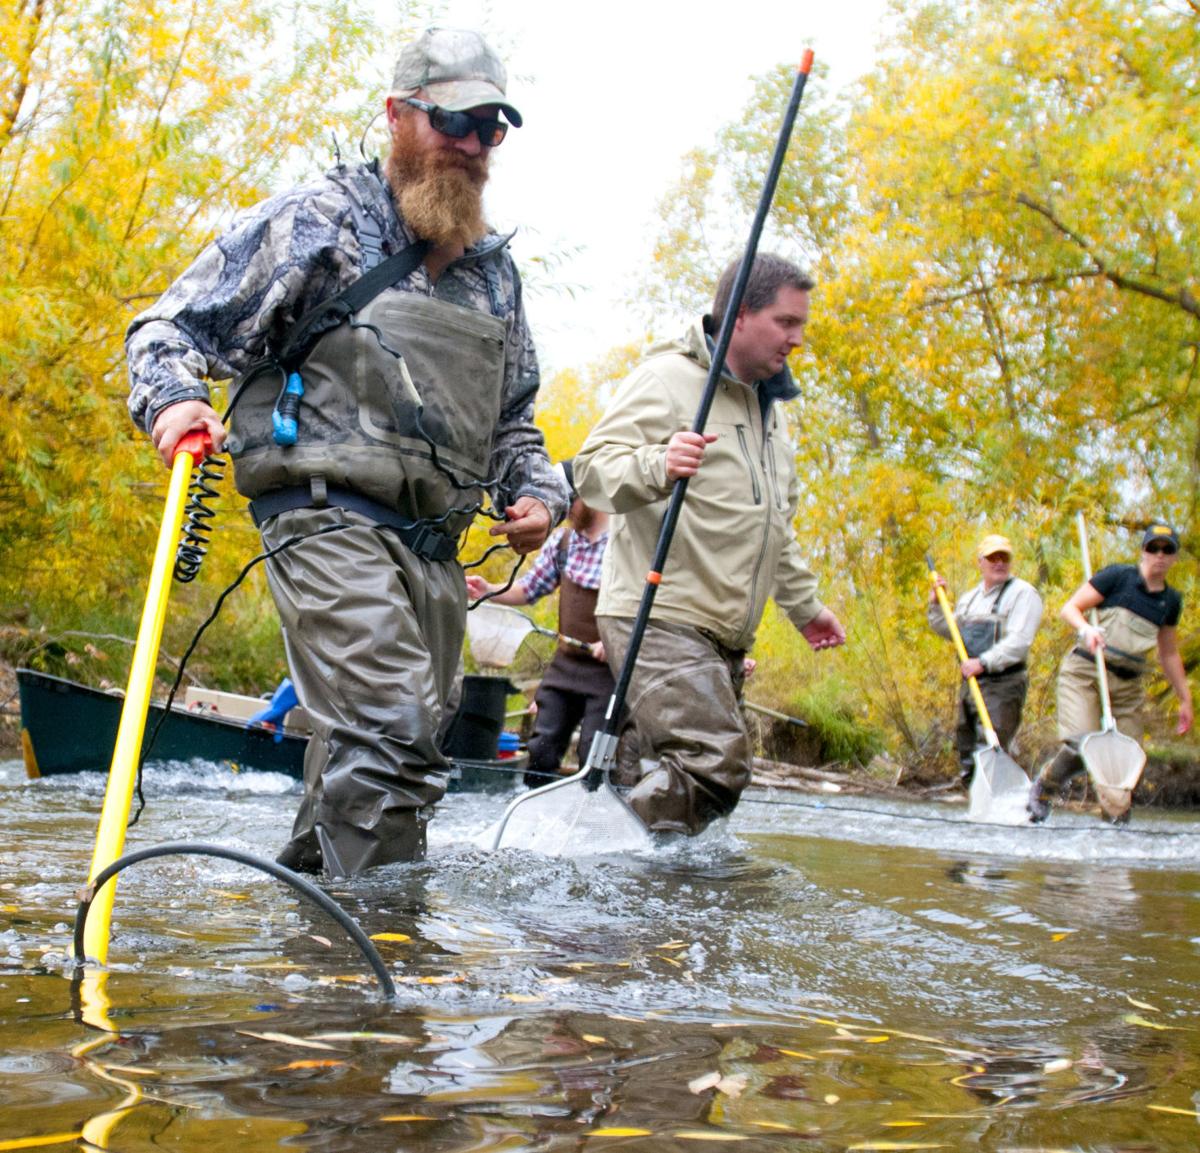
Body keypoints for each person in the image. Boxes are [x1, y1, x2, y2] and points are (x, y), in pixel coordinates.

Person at [125, 27, 568, 876]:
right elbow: (170, 328)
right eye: (455, 123)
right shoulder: (318, 221)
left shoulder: (494, 276)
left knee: (387, 756)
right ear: (398, 116)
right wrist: (178, 398)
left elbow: (516, 420)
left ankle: (313, 937)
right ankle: (380, 955)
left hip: (435, 550)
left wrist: (536, 495)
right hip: (324, 518)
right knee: (392, 730)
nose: (473, 147)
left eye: (492, 130)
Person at [574, 253, 846, 837]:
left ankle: (620, 907)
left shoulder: (773, 414)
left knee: (646, 771)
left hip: (721, 632)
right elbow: (593, 471)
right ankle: (593, 858)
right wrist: (657, 464)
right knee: (714, 763)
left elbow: (777, 526)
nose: (798, 340)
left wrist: (805, 607)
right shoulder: (668, 379)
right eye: (787, 323)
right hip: (659, 615)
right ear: (741, 315)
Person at [1028, 522, 1192, 822]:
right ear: (1143, 551)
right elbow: (1070, 609)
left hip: (1128, 686)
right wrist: (1087, 629)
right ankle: (1044, 788)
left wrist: (1184, 699)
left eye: (1167, 550)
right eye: (1153, 548)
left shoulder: (1171, 601)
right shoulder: (1118, 577)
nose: (1159, 555)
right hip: (1086, 672)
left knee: (1127, 763)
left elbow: (1168, 652)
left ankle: (1114, 825)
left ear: (1174, 558)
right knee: (1082, 744)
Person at [466, 460, 615, 785]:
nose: (563, 511)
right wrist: (490, 591)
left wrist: (619, 641)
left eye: (567, 502)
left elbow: (645, 607)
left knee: (594, 757)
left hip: (608, 673)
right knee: (541, 752)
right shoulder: (563, 542)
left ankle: (592, 824)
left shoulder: (623, 544)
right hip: (564, 668)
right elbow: (529, 589)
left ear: (587, 496)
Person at [927, 534, 1043, 786]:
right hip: (971, 685)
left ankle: (998, 804)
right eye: (992, 558)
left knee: (990, 748)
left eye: (1004, 557)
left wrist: (983, 662)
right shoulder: (970, 599)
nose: (999, 563)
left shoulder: (1023, 594)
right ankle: (972, 801)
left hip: (1004, 684)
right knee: (967, 749)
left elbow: (1020, 642)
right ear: (980, 562)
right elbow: (949, 630)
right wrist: (937, 605)